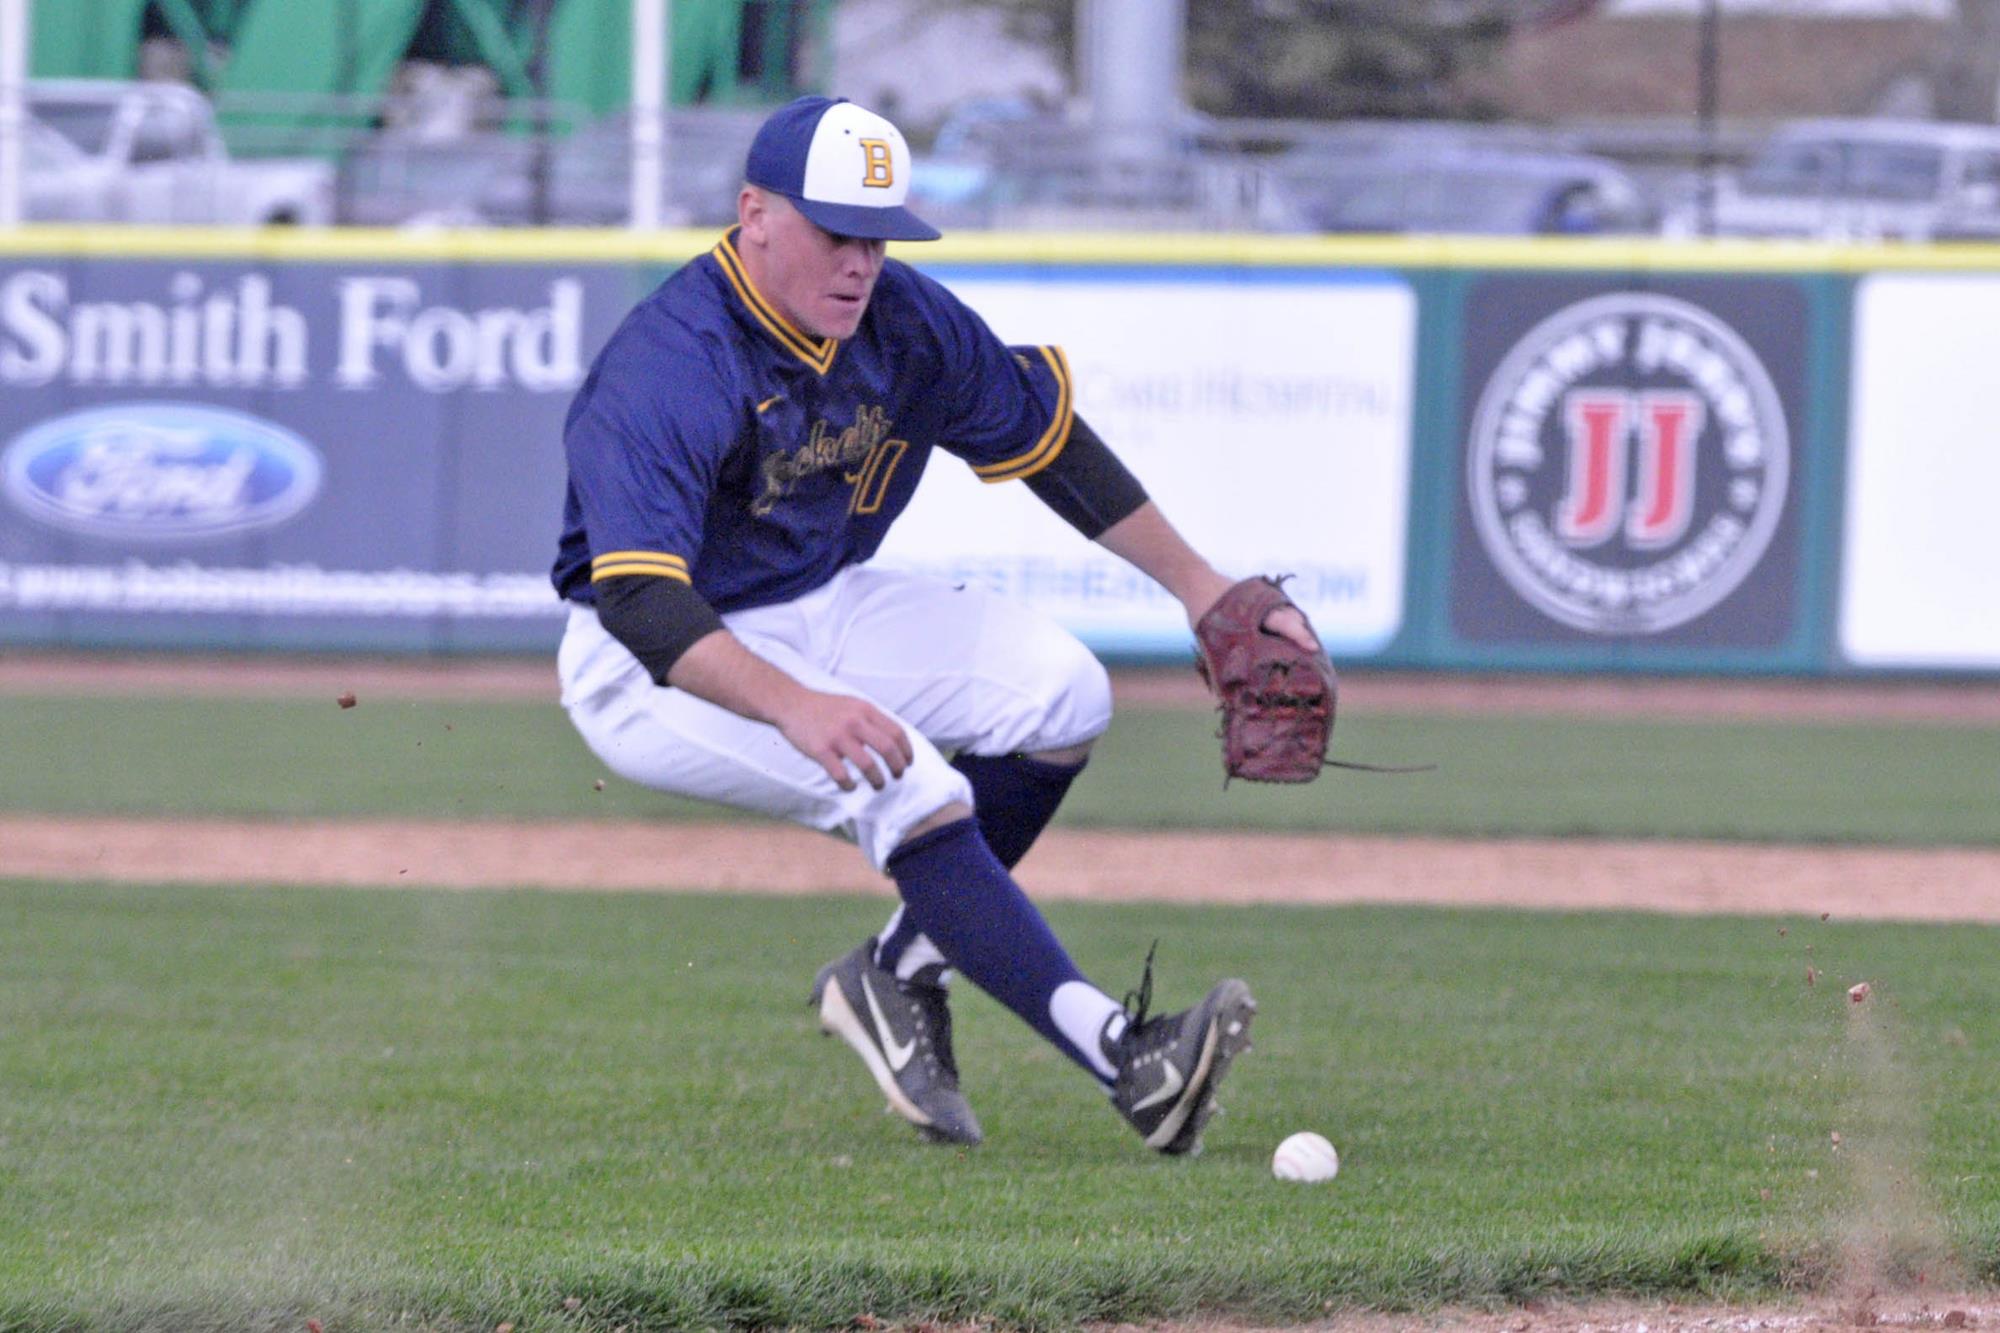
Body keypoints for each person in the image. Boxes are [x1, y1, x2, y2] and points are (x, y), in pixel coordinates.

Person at [551, 95, 1314, 1154]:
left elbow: (1049, 444)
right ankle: (1127, 1060)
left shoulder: (903, 322)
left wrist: (1200, 586)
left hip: (822, 602)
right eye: (833, 231)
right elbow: (639, 597)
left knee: (1064, 694)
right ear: (754, 213)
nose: (859, 262)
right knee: (910, 781)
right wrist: (793, 707)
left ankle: (897, 973)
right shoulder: (669, 361)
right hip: (653, 662)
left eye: (876, 235)